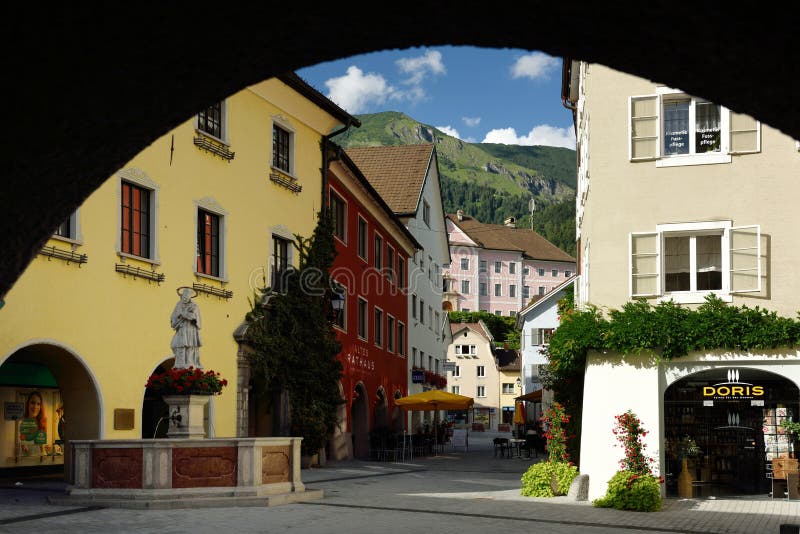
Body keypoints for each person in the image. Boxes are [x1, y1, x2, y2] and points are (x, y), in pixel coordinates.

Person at [170, 287, 202, 369]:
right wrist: (177, 318)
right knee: (174, 345)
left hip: (190, 328)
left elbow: (195, 317)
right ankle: (180, 361)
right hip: (181, 328)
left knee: (189, 345)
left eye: (186, 297)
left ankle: (189, 362)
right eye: (183, 297)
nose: (185, 298)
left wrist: (185, 314)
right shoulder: (179, 304)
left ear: (190, 297)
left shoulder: (194, 306)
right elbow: (173, 316)